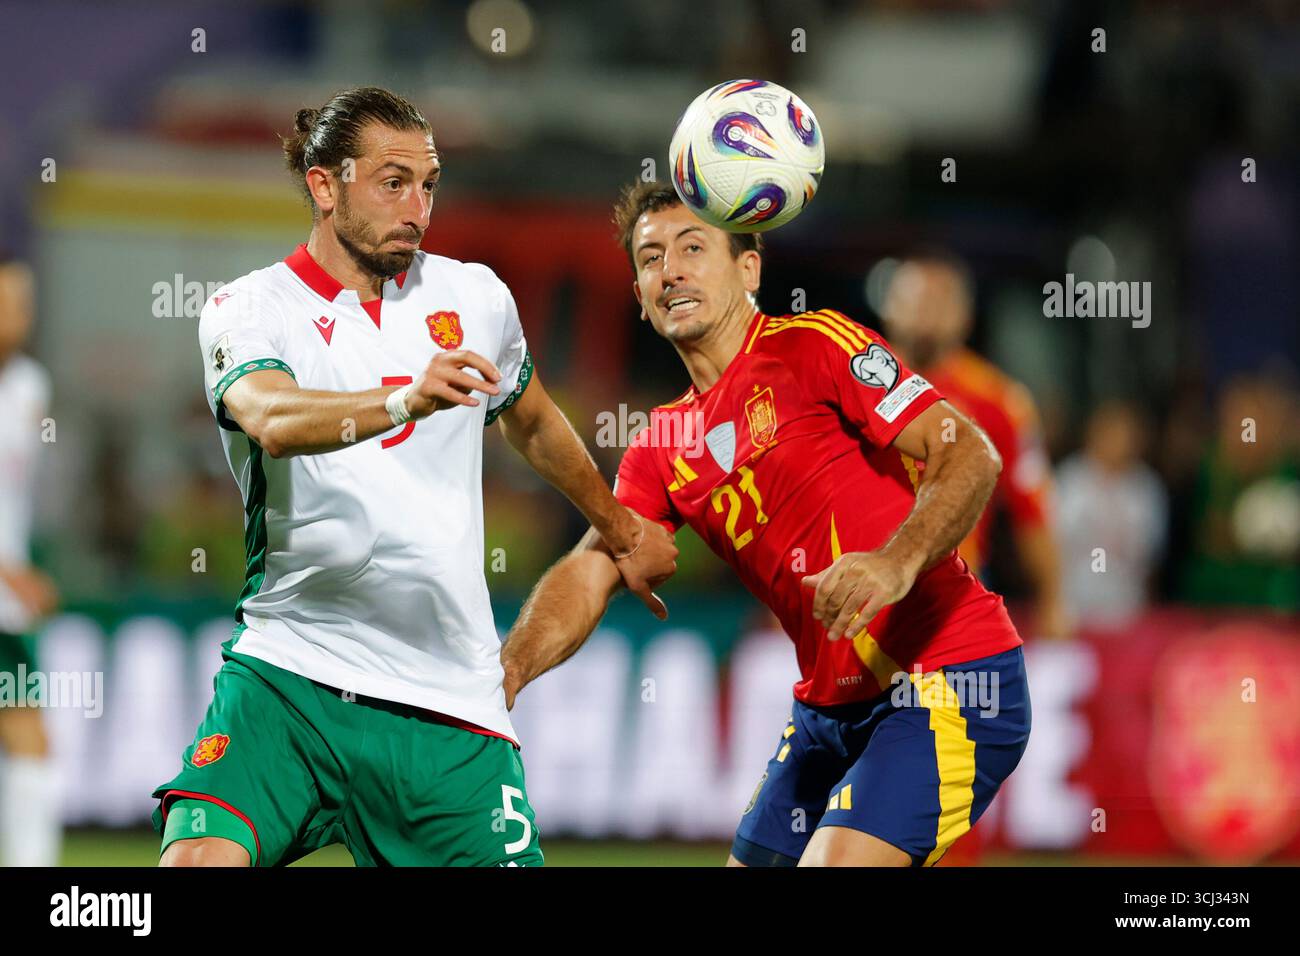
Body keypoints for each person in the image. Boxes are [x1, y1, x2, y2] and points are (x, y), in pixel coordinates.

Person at [152, 88, 676, 867]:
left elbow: (529, 419)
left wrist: (619, 524)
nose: (418, 207)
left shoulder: (475, 296)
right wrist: (404, 398)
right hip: (291, 674)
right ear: (325, 186)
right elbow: (269, 416)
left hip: (447, 704)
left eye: (429, 184)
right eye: (393, 182)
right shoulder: (248, 307)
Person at [501, 182, 1031, 867]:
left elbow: (970, 454)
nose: (672, 270)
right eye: (651, 257)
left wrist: (895, 562)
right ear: (638, 294)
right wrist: (510, 670)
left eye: (693, 247)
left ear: (748, 269)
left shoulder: (815, 346)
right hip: (827, 717)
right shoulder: (660, 446)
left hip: (950, 675)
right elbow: (592, 566)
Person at [881, 254, 1070, 639]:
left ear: (964, 316)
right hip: (858, 591)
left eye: (940, 303)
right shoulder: (846, 383)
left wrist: (1053, 598)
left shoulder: (1000, 402)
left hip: (950, 601)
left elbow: (1032, 507)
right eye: (916, 301)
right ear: (888, 308)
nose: (926, 315)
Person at [0, 256, 61, 866]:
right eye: (6, 302)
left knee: (30, 736)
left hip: (7, 606)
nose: (18, 315)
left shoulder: (28, 388)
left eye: (24, 303)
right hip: (6, 587)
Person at [1056, 401, 1168, 627]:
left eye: (1126, 435)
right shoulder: (1069, 481)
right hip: (1074, 608)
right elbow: (1051, 546)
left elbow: (1151, 558)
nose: (1118, 443)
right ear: (1093, 434)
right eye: (1111, 434)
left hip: (1125, 610)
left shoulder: (1146, 487)